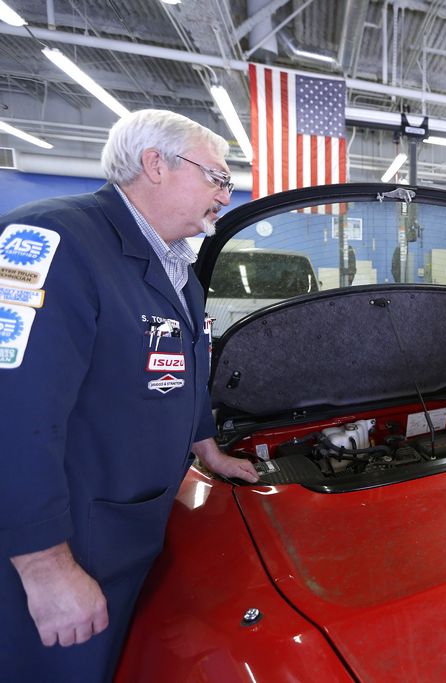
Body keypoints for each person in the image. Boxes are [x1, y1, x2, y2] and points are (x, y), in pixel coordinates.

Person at [0, 109, 259, 683]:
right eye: (216, 176)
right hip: (66, 545)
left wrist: (207, 447)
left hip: (129, 533)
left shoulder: (175, 264)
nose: (227, 191)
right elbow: (13, 412)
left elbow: (182, 369)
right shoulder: (51, 240)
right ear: (154, 165)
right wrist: (44, 566)